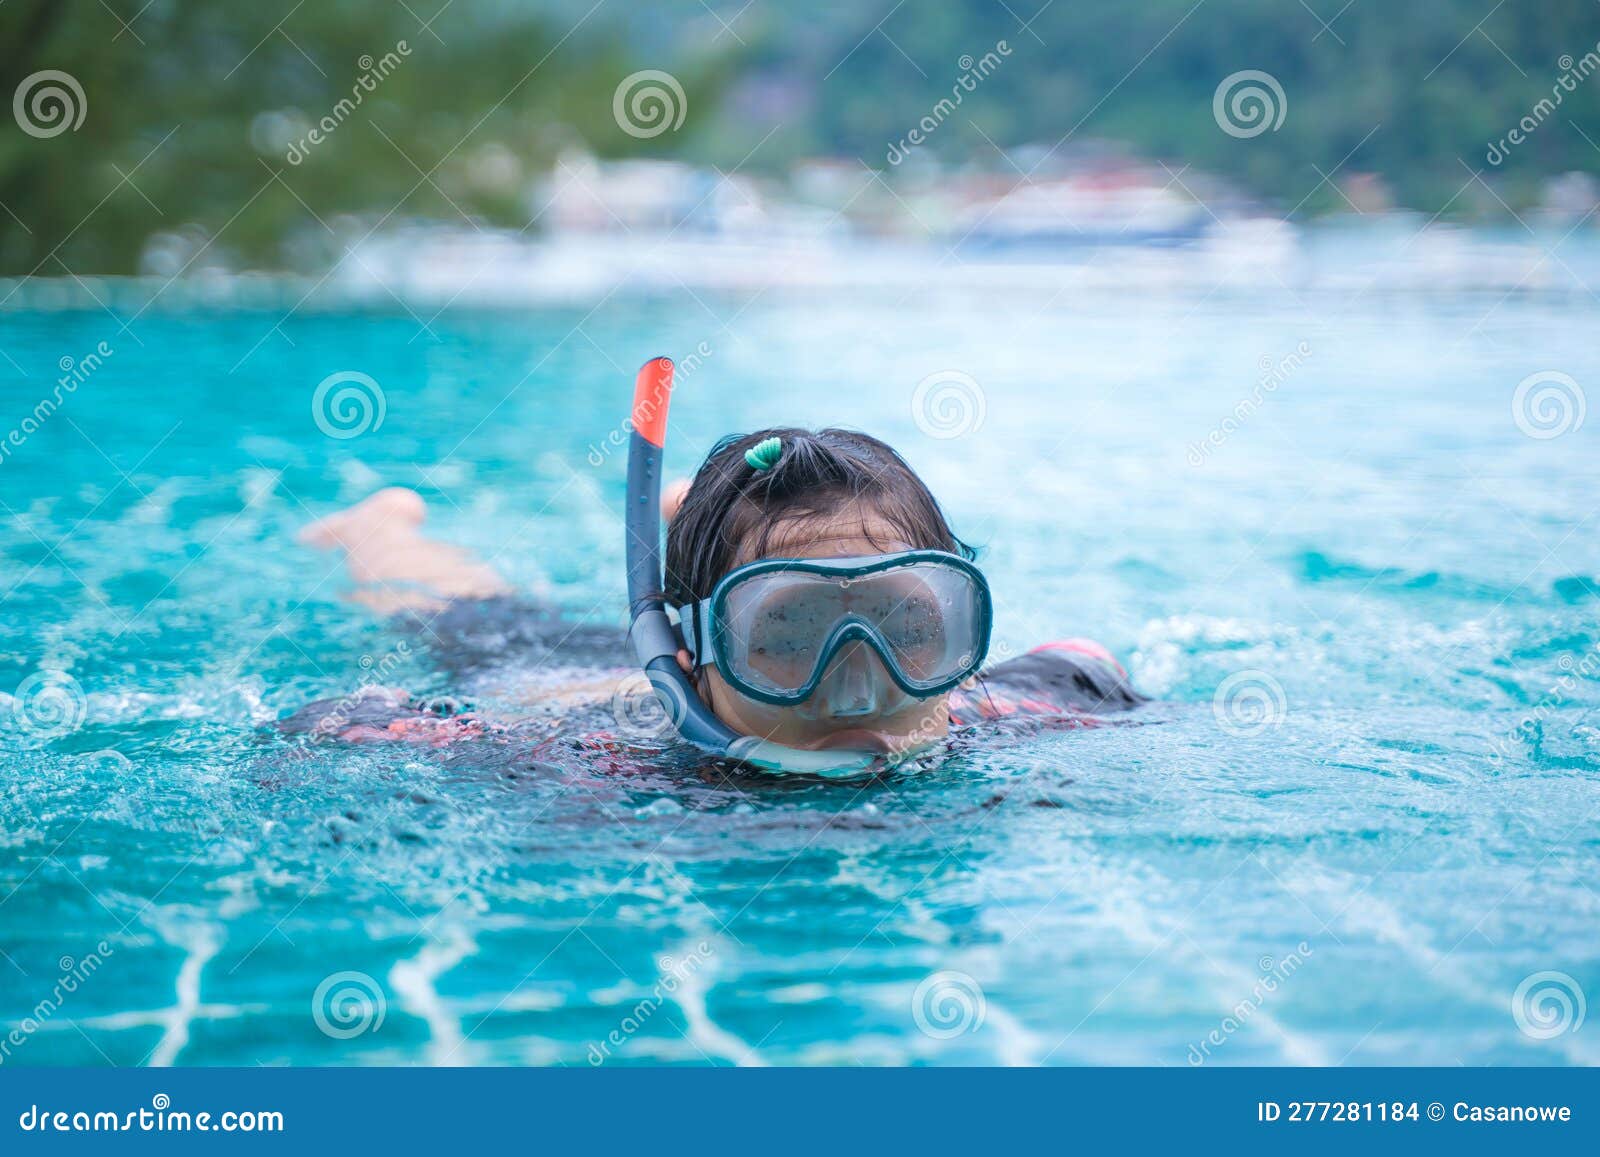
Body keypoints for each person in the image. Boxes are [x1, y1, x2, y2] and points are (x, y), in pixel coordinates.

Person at [284, 429, 1143, 767]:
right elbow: (345, 723)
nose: (858, 686)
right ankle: (377, 529)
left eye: (907, 625)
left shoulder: (1022, 706)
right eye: (790, 632)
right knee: (468, 611)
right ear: (691, 646)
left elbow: (1084, 658)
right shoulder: (601, 755)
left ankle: (713, 520)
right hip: (558, 674)